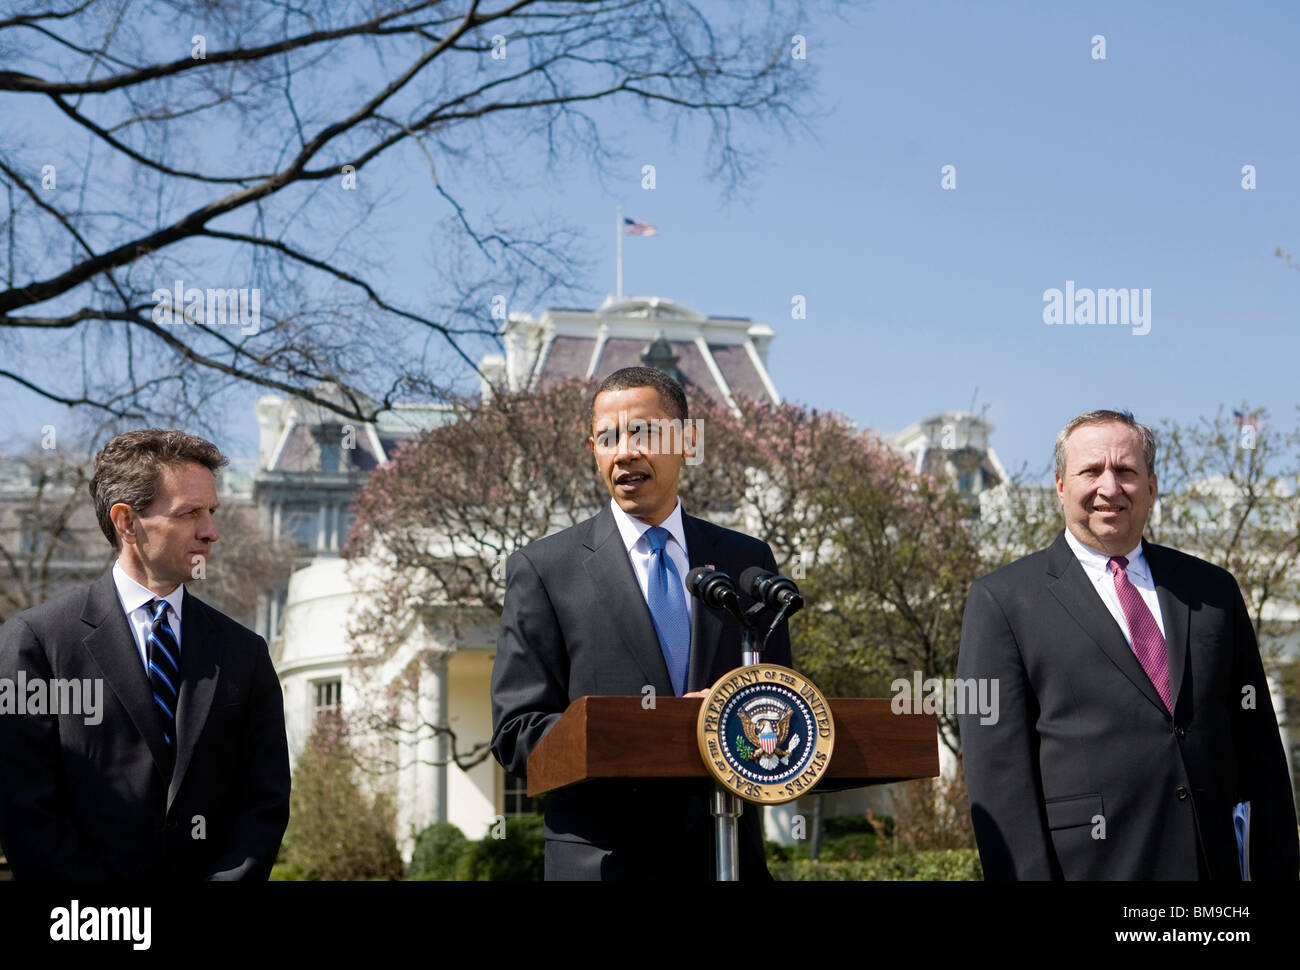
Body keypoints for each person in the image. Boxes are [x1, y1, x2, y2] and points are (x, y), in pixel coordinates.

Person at [957, 409, 1298, 880]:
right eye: (1091, 471)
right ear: (1060, 485)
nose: (1109, 487)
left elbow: (1260, 749)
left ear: (1152, 487)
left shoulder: (1213, 590)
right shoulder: (1002, 601)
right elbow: (998, 776)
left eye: (1126, 471)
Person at [490, 366, 792, 880]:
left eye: (644, 432)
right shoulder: (544, 569)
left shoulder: (746, 561)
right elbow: (516, 734)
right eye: (607, 437)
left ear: (687, 441)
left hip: (725, 858)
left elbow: (785, 703)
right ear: (593, 450)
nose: (625, 451)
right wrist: (658, 729)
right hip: (602, 864)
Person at [0, 430, 290, 879]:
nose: (211, 531)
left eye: (211, 511)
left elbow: (264, 803)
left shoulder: (245, 653)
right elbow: (25, 808)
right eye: (190, 513)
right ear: (127, 522)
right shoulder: (35, 644)